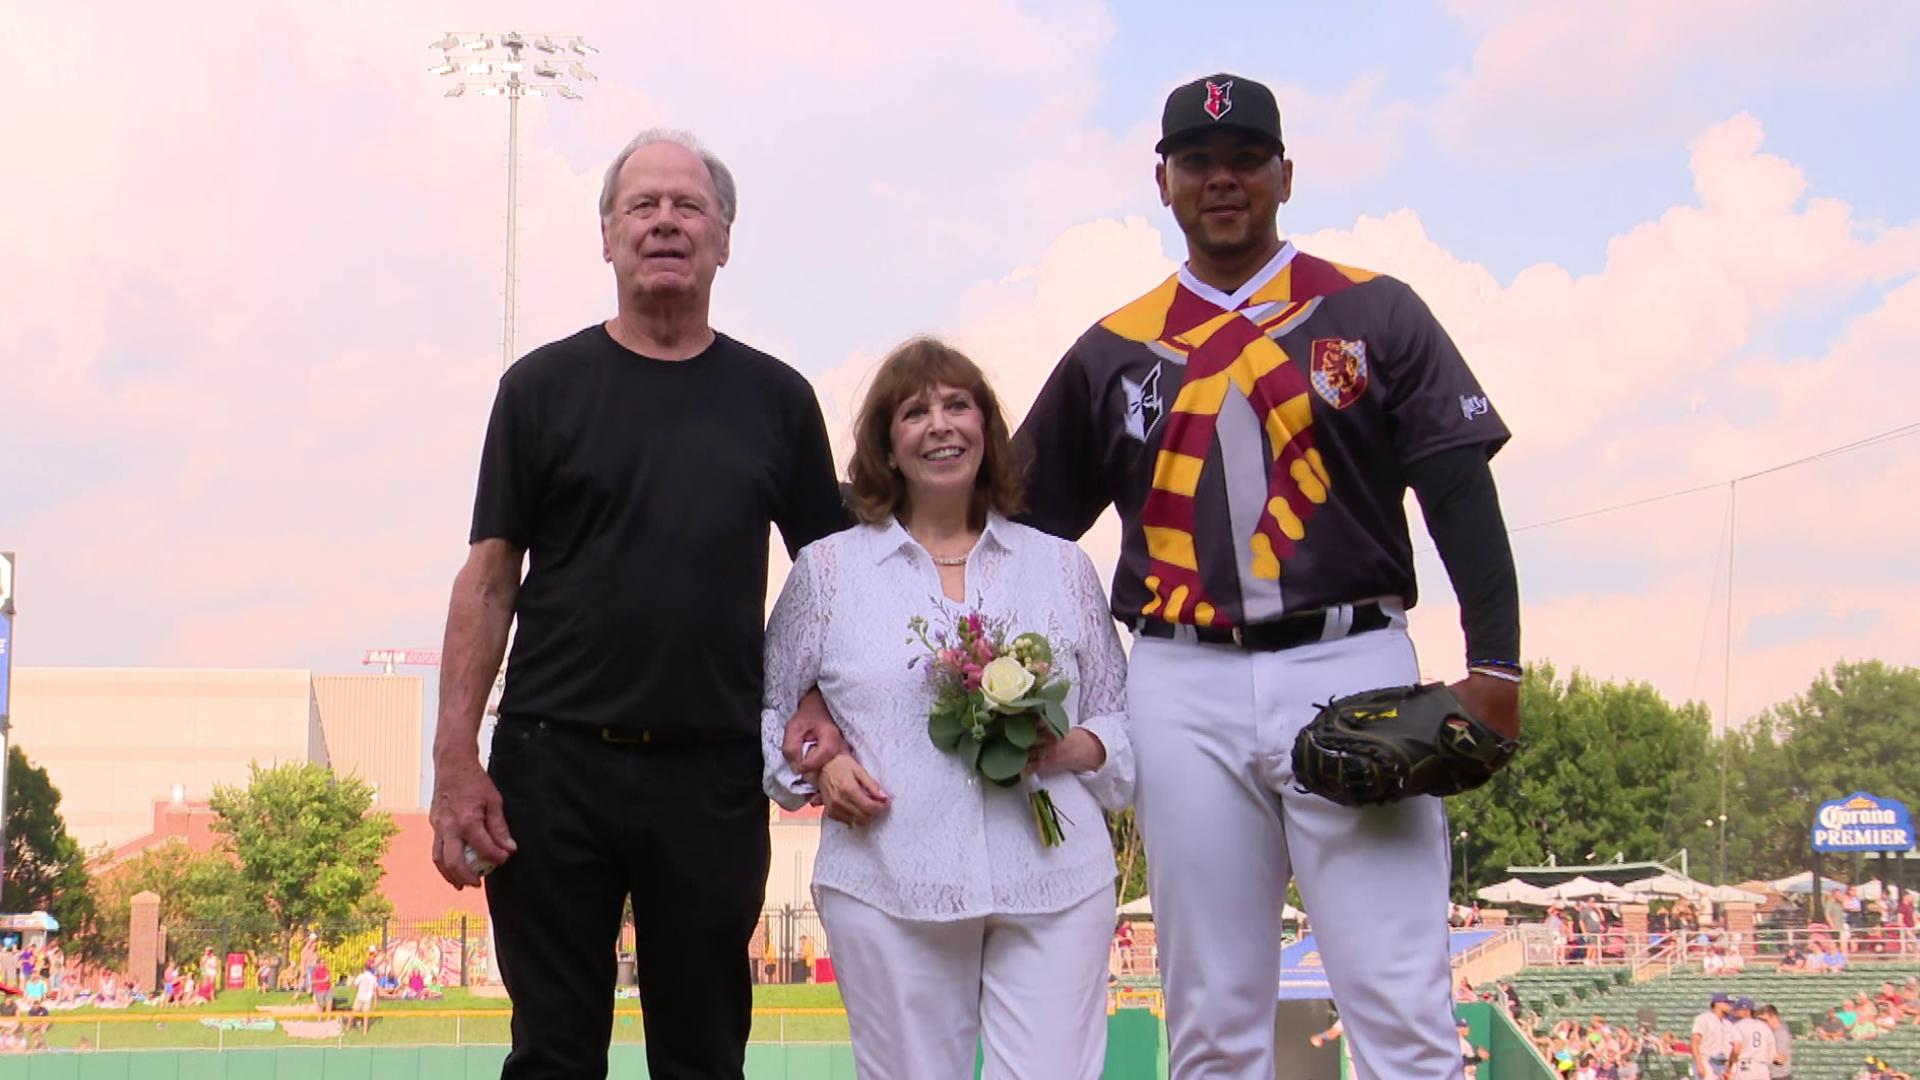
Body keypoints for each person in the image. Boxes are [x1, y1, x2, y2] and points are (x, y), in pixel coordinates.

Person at [787, 71, 1520, 1080]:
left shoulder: (1373, 312)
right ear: (1164, 182)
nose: (1223, 181)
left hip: (1355, 666)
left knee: (1401, 1007)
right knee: (1212, 1019)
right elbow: (974, 511)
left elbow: (1458, 492)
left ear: (1285, 175)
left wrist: (1499, 665)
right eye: (1198, 164)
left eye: (1246, 161)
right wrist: (827, 638)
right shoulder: (1114, 349)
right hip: (1182, 678)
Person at [429, 127, 847, 1080]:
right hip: (550, 766)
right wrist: (456, 755)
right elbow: (489, 576)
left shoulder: (778, 400)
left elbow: (831, 580)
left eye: (688, 205)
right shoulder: (538, 390)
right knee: (552, 1053)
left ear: (725, 239)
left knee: (703, 1056)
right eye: (642, 206)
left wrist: (818, 697)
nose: (665, 221)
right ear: (607, 235)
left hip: (709, 774)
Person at [760, 338, 1134, 1079]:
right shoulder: (829, 572)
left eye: (959, 405)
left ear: (987, 431)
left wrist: (1068, 750)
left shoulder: (1061, 567)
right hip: (890, 880)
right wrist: (823, 766)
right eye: (914, 411)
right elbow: (770, 714)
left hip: (1055, 880)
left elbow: (1122, 720)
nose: (941, 425)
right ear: (886, 447)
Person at [1727, 998, 1775, 1080]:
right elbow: (1772, 1055)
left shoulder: (1737, 1026)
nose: (1735, 1012)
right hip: (1762, 1068)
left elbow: (1736, 1049)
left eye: (1737, 1009)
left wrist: (1730, 1065)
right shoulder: (1764, 1027)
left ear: (1743, 1011)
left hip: (1745, 1066)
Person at [1692, 992, 1735, 1078]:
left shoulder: (1728, 1024)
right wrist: (1699, 1064)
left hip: (1722, 1063)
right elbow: (1694, 1042)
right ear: (1717, 1003)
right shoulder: (1703, 1019)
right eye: (1727, 1002)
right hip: (1707, 1061)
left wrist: (1729, 1067)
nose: (1730, 1005)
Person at [1758, 1003, 1793, 1080]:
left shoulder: (1781, 1034)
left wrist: (1761, 1063)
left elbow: (1780, 1060)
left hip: (1779, 1076)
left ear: (1774, 1017)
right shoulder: (1769, 1032)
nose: (1762, 1023)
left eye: (1764, 1020)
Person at [350, 965, 378, 1034]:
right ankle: (365, 1032)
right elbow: (375, 990)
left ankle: (348, 1027)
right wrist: (375, 1001)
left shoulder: (361, 976)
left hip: (360, 996)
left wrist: (354, 981)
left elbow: (354, 986)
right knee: (366, 1015)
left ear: (364, 969)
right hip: (368, 998)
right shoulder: (373, 977)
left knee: (353, 1012)